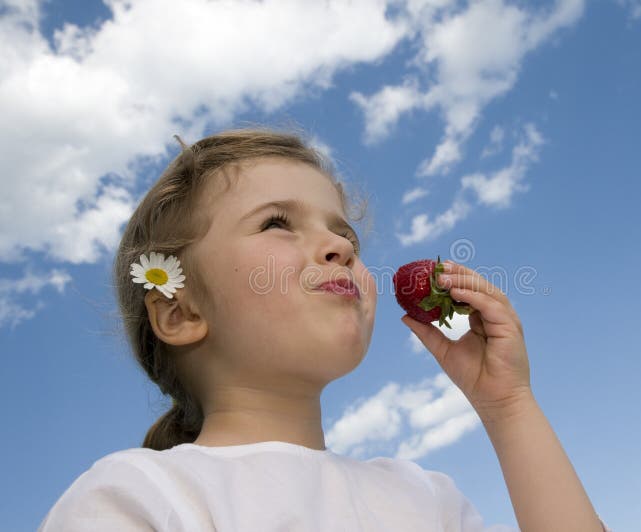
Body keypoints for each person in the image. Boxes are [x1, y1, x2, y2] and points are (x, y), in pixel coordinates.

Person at [38, 128, 611, 531]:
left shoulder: (425, 500)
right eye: (277, 223)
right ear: (182, 313)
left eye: (348, 238)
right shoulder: (138, 496)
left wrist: (509, 405)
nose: (340, 246)